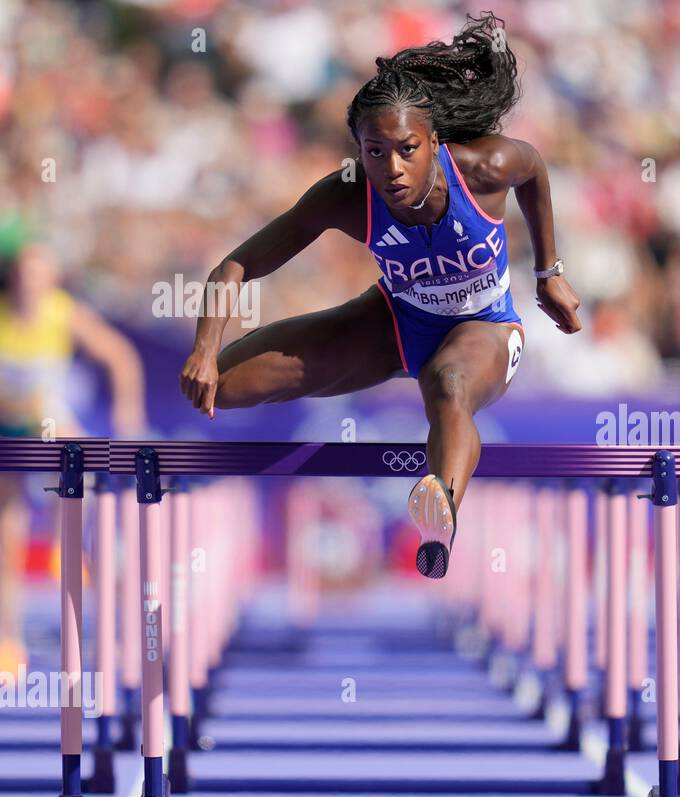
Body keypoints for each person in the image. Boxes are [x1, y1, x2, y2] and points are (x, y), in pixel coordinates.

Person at [178, 13, 581, 578]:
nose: (390, 168)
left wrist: (549, 271)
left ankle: (440, 514)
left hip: (484, 326)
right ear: (358, 150)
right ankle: (436, 490)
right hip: (394, 322)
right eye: (373, 152)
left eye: (406, 149)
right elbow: (237, 264)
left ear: (434, 141)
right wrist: (202, 349)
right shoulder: (346, 195)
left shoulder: (484, 168)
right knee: (222, 386)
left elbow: (534, 170)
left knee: (449, 382)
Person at [0, 242, 147, 674]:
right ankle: (8, 638)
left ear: (52, 280)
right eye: (27, 275)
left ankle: (101, 618)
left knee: (78, 472)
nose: (33, 284)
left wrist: (129, 413)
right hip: (7, 428)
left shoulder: (63, 313)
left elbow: (120, 356)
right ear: (14, 279)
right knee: (7, 532)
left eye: (42, 275)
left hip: (48, 422)